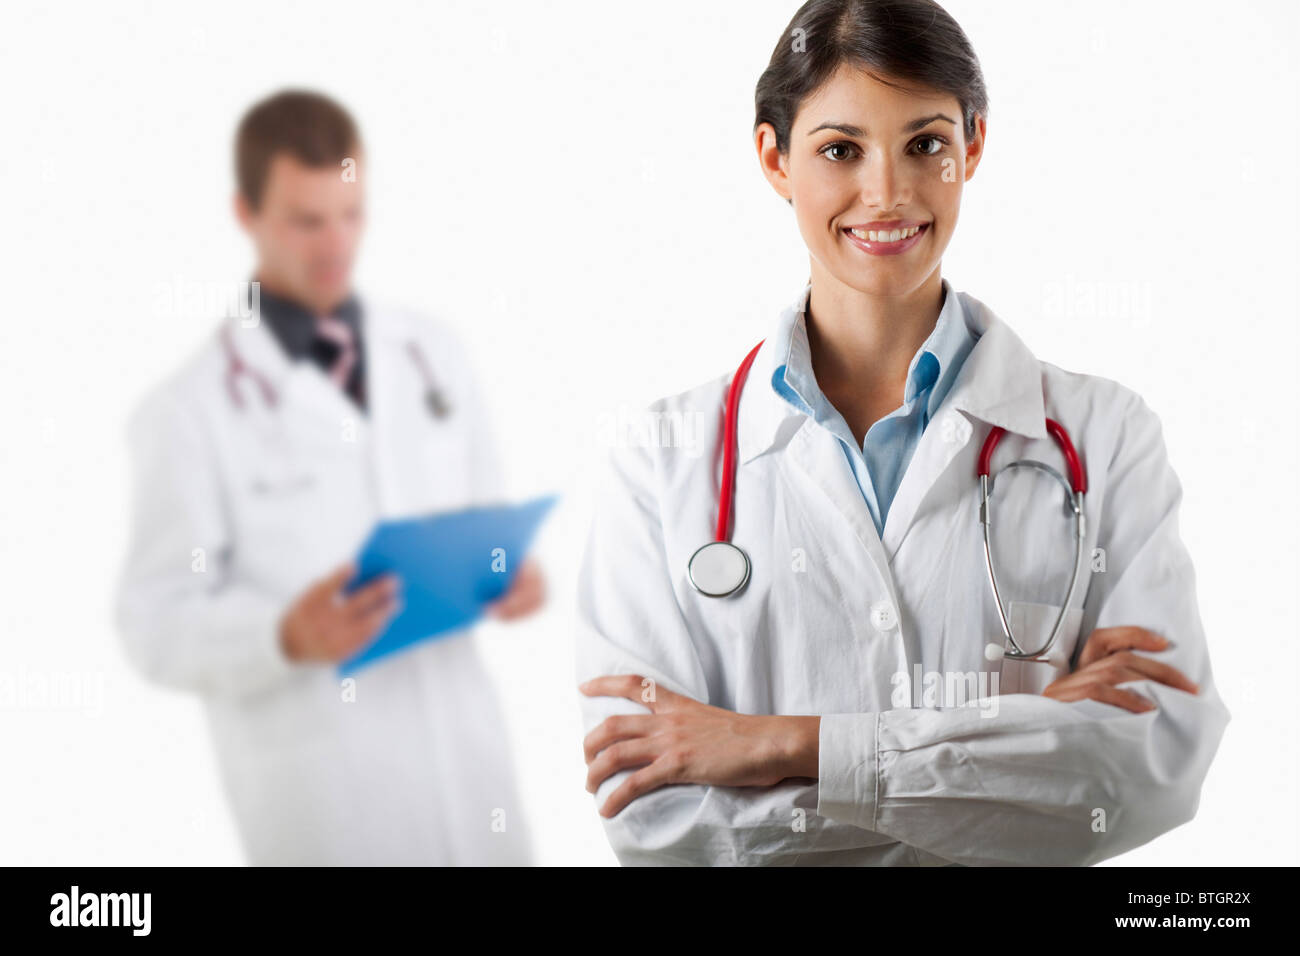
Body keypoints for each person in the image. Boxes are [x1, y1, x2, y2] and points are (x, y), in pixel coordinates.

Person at [576, 0, 1228, 866]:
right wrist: (1029, 746)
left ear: (974, 147)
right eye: (840, 150)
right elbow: (658, 824)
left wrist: (778, 744)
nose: (886, 193)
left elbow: (1151, 769)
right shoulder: (659, 463)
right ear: (775, 158)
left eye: (925, 144)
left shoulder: (1104, 436)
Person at [116, 89, 543, 865]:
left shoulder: (432, 353)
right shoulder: (188, 410)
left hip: (471, 786)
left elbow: (484, 520)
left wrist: (511, 574)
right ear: (245, 213)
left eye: (351, 213)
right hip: (329, 808)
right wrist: (282, 635)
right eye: (307, 220)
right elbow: (152, 623)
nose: (336, 243)